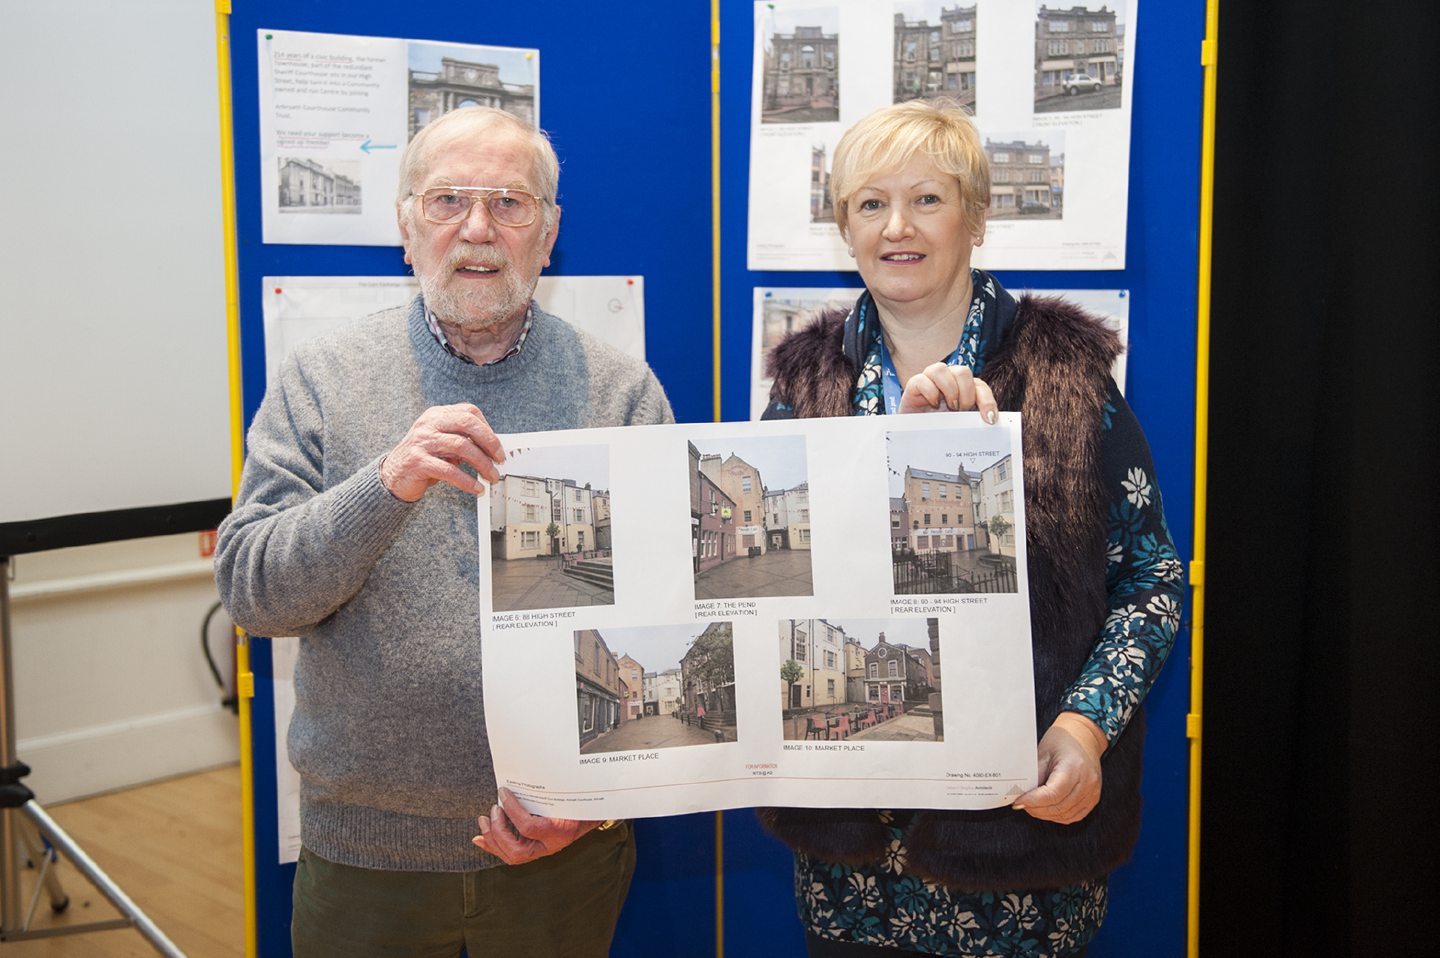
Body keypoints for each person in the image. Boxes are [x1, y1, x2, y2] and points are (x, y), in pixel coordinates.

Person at [215, 106, 673, 956]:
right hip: (365, 856)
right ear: (405, 225)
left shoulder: (623, 396)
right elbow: (254, 594)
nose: (476, 229)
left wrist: (597, 802)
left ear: (550, 234)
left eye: (509, 203)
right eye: (447, 200)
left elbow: (665, 626)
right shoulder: (321, 380)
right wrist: (386, 484)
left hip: (561, 851)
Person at [757, 98, 1184, 956]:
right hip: (853, 863)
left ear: (977, 219)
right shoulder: (804, 387)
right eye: (870, 204)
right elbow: (772, 585)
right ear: (845, 229)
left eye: (927, 199)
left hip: (1021, 843)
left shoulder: (1066, 376)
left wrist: (1083, 726)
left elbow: (1150, 583)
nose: (896, 227)